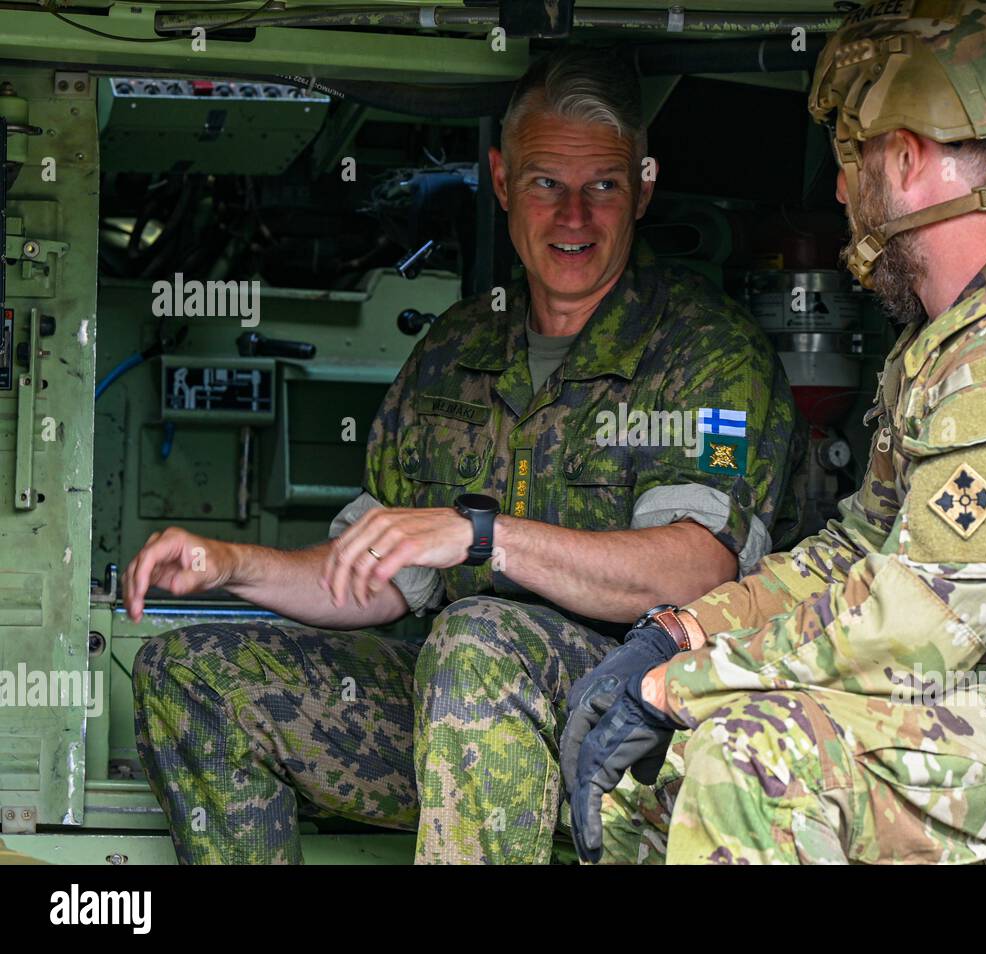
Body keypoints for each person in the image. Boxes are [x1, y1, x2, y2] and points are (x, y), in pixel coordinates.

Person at [562, 0, 986, 865]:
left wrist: (674, 690)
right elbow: (858, 554)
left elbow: (914, 627)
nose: (842, 192)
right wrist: (683, 632)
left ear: (908, 158)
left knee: (755, 756)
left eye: (854, 157)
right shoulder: (960, 343)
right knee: (648, 793)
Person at [128, 46, 804, 864]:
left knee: (478, 636)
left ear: (644, 189)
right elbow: (371, 575)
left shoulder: (703, 348)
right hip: (462, 720)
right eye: (548, 183)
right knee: (189, 673)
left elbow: (695, 574)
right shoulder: (459, 347)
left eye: (604, 186)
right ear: (502, 180)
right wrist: (230, 563)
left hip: (641, 733)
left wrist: (483, 537)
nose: (574, 217)